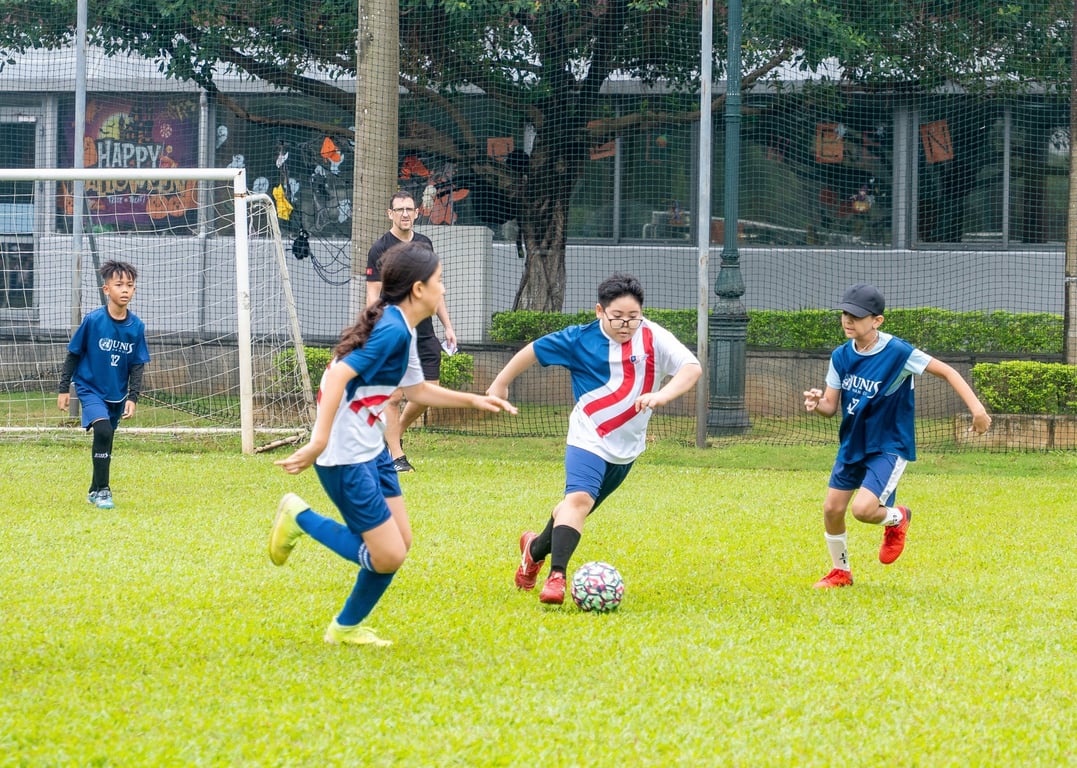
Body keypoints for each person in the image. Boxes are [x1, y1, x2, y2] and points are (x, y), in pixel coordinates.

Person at [271, 241, 515, 646]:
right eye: (440, 281)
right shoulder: (389, 331)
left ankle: (345, 629)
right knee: (388, 556)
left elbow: (417, 390)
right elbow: (336, 378)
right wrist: (318, 440)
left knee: (400, 542)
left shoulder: (403, 327)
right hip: (344, 455)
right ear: (418, 289)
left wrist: (474, 398)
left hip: (373, 449)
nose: (444, 289)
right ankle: (299, 518)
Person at [487, 273, 702, 605]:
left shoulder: (653, 336)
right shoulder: (578, 339)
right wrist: (501, 383)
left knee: (573, 511)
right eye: (618, 317)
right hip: (587, 436)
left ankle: (533, 550)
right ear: (599, 311)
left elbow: (691, 367)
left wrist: (662, 396)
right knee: (579, 501)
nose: (626, 324)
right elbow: (533, 350)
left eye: (633, 317)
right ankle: (556, 578)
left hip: (627, 448)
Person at [803, 283, 992, 589]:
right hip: (853, 443)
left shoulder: (898, 352)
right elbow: (829, 406)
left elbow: (948, 372)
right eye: (845, 313)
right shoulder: (840, 356)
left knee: (863, 511)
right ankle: (841, 572)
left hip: (888, 445)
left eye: (857, 315)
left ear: (877, 321)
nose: (848, 320)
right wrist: (816, 404)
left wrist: (978, 410)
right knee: (831, 509)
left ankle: (898, 518)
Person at [365, 191, 457, 473]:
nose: (405, 214)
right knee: (392, 397)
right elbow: (373, 295)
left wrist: (448, 325)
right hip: (395, 333)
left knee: (429, 392)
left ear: (417, 213)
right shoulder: (379, 248)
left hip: (426, 332)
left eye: (409, 209)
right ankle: (396, 456)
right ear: (389, 213)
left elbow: (433, 289)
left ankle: (395, 432)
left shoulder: (424, 244)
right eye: (399, 209)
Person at [57, 260, 151, 510]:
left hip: (116, 394)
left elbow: (137, 365)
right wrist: (64, 388)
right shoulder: (93, 320)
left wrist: (133, 397)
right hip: (89, 388)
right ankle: (104, 491)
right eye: (119, 284)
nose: (125, 290)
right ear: (106, 289)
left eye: (130, 285)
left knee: (106, 441)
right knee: (103, 432)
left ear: (134, 290)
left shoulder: (136, 327)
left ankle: (93, 489)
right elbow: (74, 354)